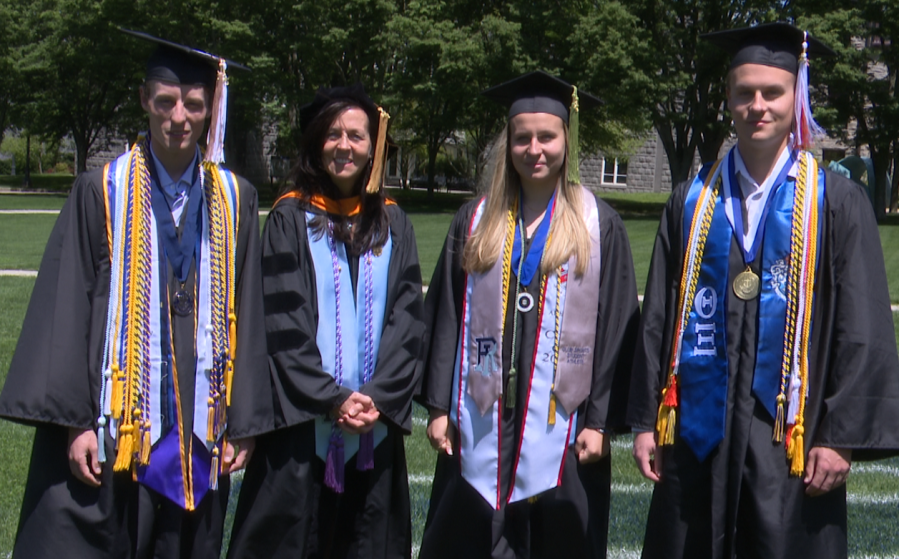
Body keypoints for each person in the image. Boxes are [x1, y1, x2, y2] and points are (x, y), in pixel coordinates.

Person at [628, 22, 899, 559]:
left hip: (792, 436)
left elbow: (862, 326)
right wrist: (643, 422)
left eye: (772, 92)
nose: (758, 106)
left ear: (797, 98)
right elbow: (658, 312)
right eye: (744, 93)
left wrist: (839, 435)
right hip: (696, 435)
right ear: (728, 100)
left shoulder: (836, 202)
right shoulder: (691, 201)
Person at [0, 30, 271, 558]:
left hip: (200, 429)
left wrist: (243, 423)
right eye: (166, 102)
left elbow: (250, 312)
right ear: (145, 99)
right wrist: (74, 422)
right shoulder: (101, 191)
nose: (179, 118)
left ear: (212, 108)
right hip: (117, 425)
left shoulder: (235, 199)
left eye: (194, 105)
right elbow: (67, 307)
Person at [417, 70, 640, 558]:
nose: (534, 149)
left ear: (567, 140)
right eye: (522, 138)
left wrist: (600, 422)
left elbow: (615, 329)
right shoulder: (476, 221)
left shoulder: (598, 226)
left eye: (546, 137)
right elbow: (448, 315)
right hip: (481, 421)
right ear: (509, 143)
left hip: (564, 429)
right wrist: (438, 406)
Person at [226, 84, 424, 559]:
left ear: (374, 146)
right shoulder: (289, 218)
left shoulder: (394, 223)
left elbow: (407, 323)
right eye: (333, 134)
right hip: (300, 433)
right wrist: (332, 399)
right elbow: (282, 324)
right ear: (317, 143)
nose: (344, 146)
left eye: (357, 135)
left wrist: (375, 399)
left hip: (374, 430)